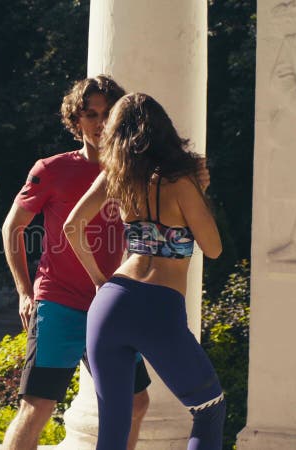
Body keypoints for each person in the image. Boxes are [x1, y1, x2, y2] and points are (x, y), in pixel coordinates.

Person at [64, 92, 225, 450]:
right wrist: (200, 191)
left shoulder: (116, 178)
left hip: (111, 303)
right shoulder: (182, 183)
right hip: (158, 306)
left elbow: (72, 226)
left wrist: (98, 280)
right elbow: (213, 248)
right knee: (208, 409)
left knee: (113, 429)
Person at [1, 75, 152, 450]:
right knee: (37, 408)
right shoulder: (51, 170)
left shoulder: (128, 172)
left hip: (108, 306)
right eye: (90, 114)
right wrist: (24, 292)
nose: (100, 123)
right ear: (75, 120)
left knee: (136, 404)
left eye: (107, 114)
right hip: (60, 304)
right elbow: (12, 228)